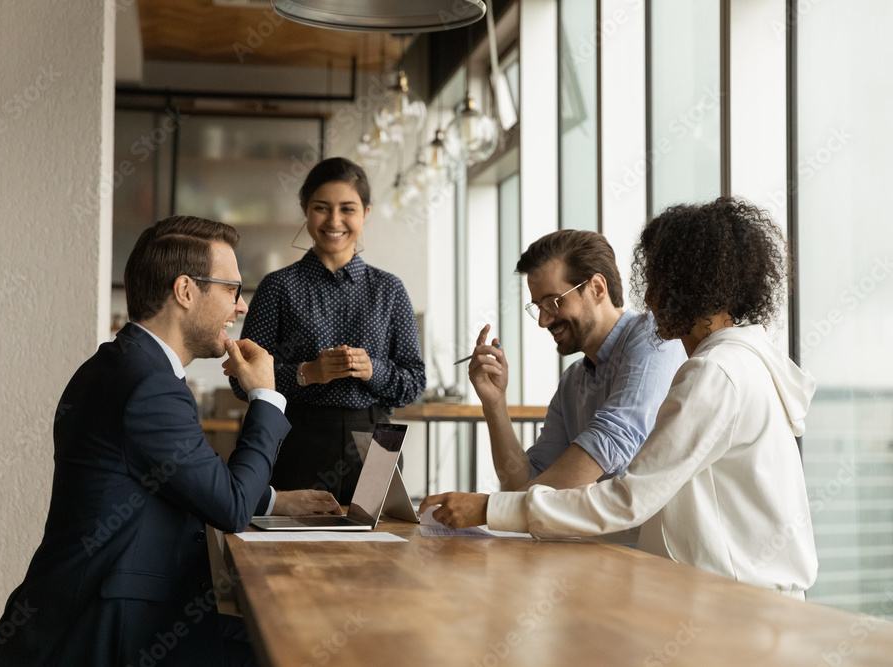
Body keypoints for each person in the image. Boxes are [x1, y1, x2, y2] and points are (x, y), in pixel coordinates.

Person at [0, 216, 340, 666]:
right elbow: (228, 506)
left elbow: (195, 477)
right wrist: (266, 396)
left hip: (107, 609)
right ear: (186, 291)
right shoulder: (148, 385)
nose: (242, 307)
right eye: (232, 289)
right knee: (297, 641)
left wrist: (273, 500)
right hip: (109, 628)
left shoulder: (127, 365)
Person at [422, 197, 818, 598]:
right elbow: (635, 504)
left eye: (659, 282)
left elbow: (629, 500)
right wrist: (495, 410)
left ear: (693, 285)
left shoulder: (714, 371)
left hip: (739, 607)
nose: (648, 300)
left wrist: (492, 509)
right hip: (719, 596)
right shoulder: (735, 362)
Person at [231, 157, 426, 504]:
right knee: (291, 552)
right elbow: (239, 379)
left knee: (379, 550)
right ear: (306, 211)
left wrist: (374, 371)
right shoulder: (277, 286)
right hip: (295, 437)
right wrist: (308, 373)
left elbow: (414, 384)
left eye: (347, 209)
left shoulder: (390, 289)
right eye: (321, 208)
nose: (334, 221)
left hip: (377, 441)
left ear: (365, 213)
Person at [468, 229, 686, 492]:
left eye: (553, 302)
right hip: (595, 533)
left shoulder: (653, 338)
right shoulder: (573, 381)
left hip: (645, 533)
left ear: (596, 288)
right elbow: (525, 482)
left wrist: (494, 508)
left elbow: (610, 440)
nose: (543, 321)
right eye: (538, 307)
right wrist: (494, 403)